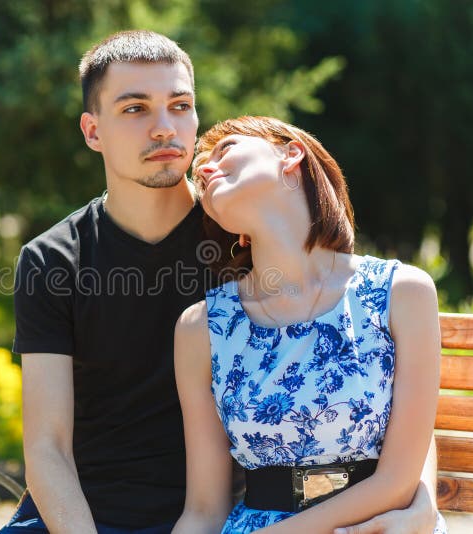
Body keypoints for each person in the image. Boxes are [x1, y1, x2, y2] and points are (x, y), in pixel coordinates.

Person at [0, 31, 440, 534]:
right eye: (135, 109)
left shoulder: (243, 236)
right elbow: (47, 448)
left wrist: (418, 498)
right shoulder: (53, 260)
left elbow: (372, 384)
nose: (164, 128)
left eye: (180, 105)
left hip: (212, 517)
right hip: (85, 517)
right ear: (93, 130)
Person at [172, 116, 448, 533]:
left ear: (291, 153)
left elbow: (396, 482)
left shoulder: (401, 293)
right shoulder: (202, 327)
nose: (205, 169)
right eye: (199, 173)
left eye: (225, 149)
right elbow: (204, 509)